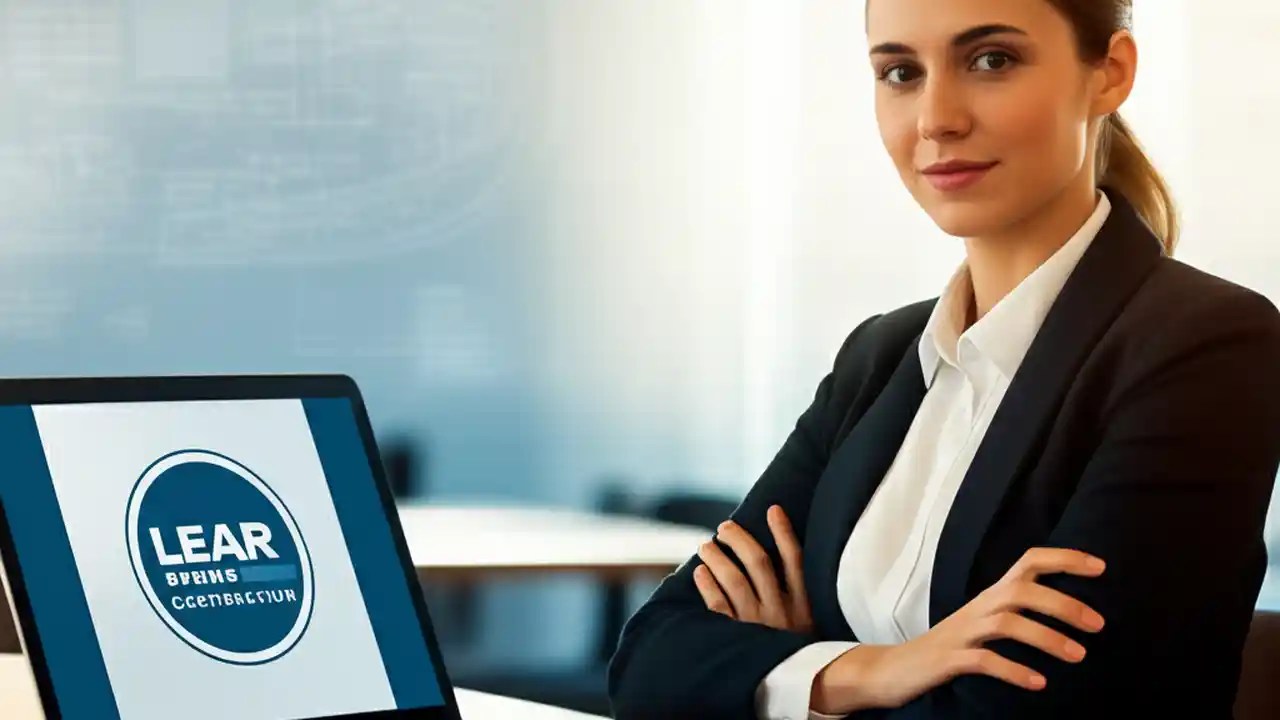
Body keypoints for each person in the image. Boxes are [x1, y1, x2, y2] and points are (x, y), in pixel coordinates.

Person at [607, 0, 1280, 718]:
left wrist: (787, 679)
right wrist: (878, 671)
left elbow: (1038, 710)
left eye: (991, 60)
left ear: (1109, 74)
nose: (936, 118)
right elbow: (651, 660)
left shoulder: (1207, 348)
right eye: (900, 72)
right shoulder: (880, 358)